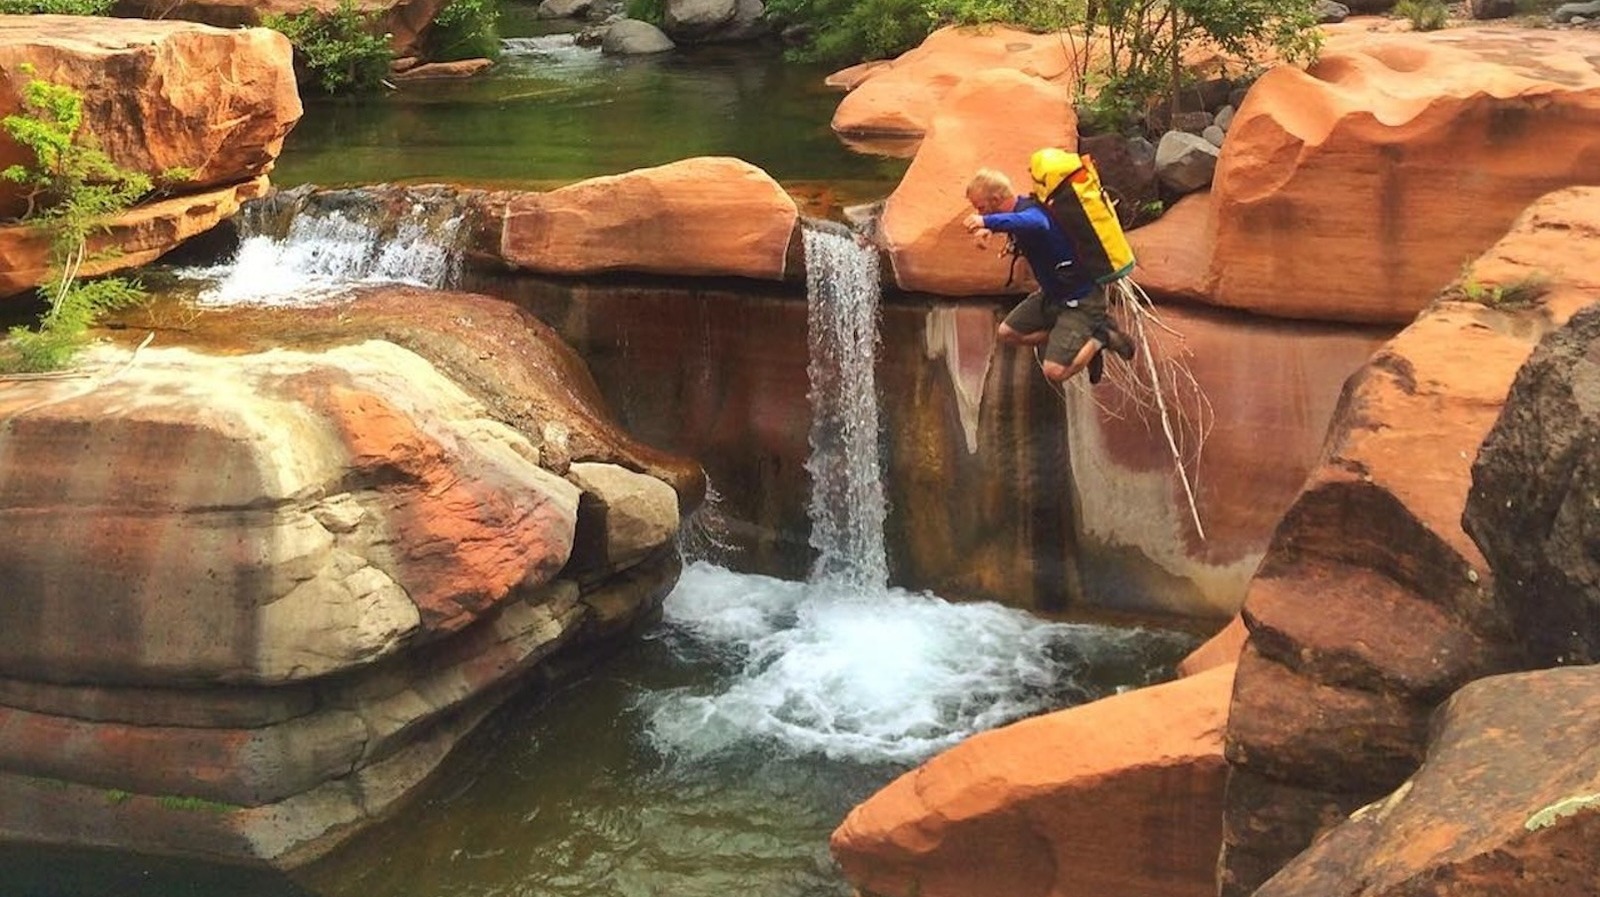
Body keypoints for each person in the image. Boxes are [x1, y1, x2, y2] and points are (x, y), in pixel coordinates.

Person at [961, 167, 1132, 384]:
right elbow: (1015, 222)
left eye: (981, 207)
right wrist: (990, 229)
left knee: (1055, 372)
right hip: (1053, 297)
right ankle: (1080, 339)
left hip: (1080, 300)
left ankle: (1101, 336)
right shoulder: (1017, 214)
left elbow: (1036, 223)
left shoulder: (1033, 212)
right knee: (1007, 332)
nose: (979, 213)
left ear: (996, 199)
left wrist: (987, 222)